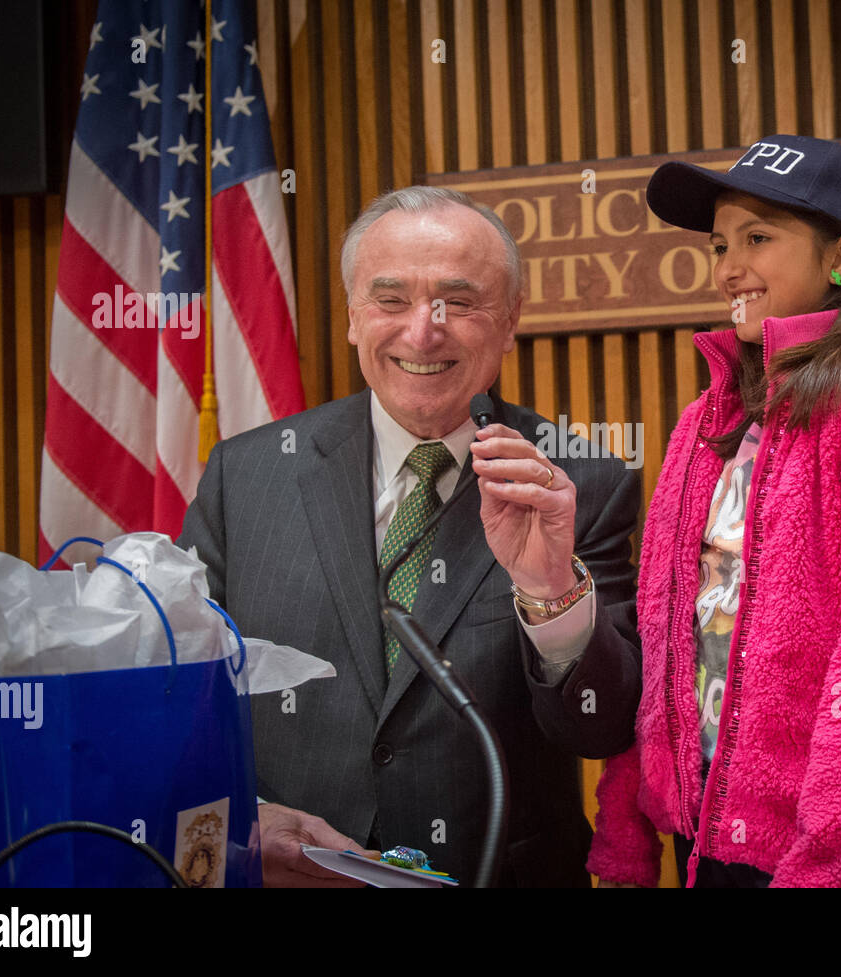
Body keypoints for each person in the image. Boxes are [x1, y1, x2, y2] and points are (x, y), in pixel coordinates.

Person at [178, 186, 642, 887]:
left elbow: (599, 728)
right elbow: (184, 696)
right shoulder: (245, 477)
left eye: (459, 301)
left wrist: (549, 587)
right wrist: (251, 817)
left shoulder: (579, 483)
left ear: (510, 319)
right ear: (353, 318)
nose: (423, 331)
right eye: (391, 300)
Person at [586, 135, 841, 888]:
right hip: (699, 835)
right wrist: (625, 841)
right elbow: (661, 633)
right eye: (721, 242)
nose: (729, 265)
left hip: (807, 856)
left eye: (758, 238)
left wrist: (823, 868)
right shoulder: (704, 418)